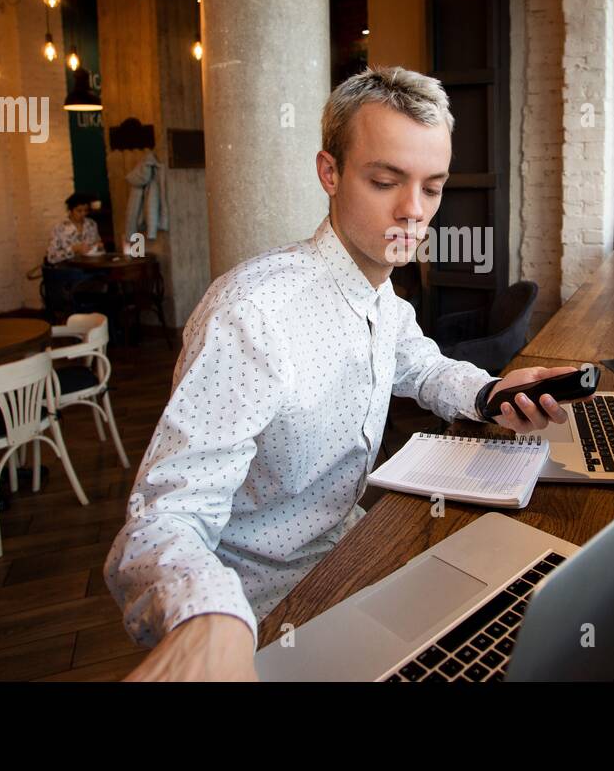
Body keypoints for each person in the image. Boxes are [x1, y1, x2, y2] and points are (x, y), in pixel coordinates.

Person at [104, 66, 586, 681]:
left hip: (352, 557)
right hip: (257, 608)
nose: (414, 212)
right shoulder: (252, 315)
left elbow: (422, 364)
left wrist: (491, 392)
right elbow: (161, 518)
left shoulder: (384, 299)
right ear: (329, 173)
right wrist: (209, 621)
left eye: (432, 188)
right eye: (386, 181)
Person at [46, 193, 104, 264]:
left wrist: (99, 247)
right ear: (70, 211)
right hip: (69, 270)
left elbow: (99, 248)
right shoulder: (59, 228)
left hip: (91, 266)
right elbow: (51, 257)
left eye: (86, 211)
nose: (83, 214)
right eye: (79, 211)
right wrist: (73, 249)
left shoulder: (91, 224)